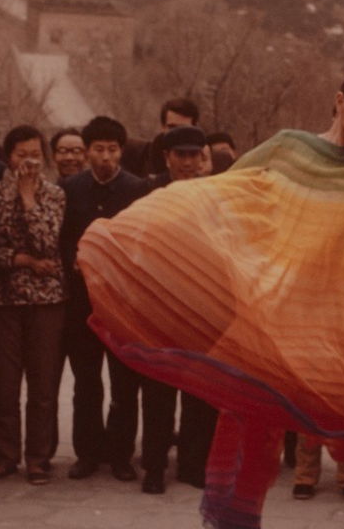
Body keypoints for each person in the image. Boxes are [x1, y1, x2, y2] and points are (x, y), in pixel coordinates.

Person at [77, 68, 344, 529]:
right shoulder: (291, 146)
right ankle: (234, 522)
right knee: (249, 417)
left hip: (338, 321)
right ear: (340, 102)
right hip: (271, 310)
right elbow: (225, 193)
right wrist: (148, 236)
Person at [59, 116, 151, 481]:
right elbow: (62, 239)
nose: (106, 157)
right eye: (98, 149)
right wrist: (75, 261)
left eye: (112, 150)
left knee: (124, 384)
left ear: (121, 151)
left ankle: (121, 454)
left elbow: (143, 240)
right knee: (86, 381)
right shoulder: (69, 189)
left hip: (122, 302)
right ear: (87, 152)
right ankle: (87, 452)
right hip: (82, 302)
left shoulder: (138, 189)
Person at [0, 125, 68, 486]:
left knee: (43, 385)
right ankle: (5, 456)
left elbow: (47, 243)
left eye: (35, 154)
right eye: (21, 155)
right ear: (8, 157)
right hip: (3, 300)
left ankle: (38, 458)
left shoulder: (54, 194)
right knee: (4, 385)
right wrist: (22, 261)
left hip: (47, 300)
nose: (29, 162)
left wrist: (29, 199)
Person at [140, 125, 220, 494]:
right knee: (158, 390)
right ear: (166, 157)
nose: (187, 162)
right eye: (180, 155)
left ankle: (193, 464)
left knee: (201, 390)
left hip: (201, 304)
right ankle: (154, 467)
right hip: (158, 304)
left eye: (194, 155)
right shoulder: (146, 192)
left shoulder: (214, 192)